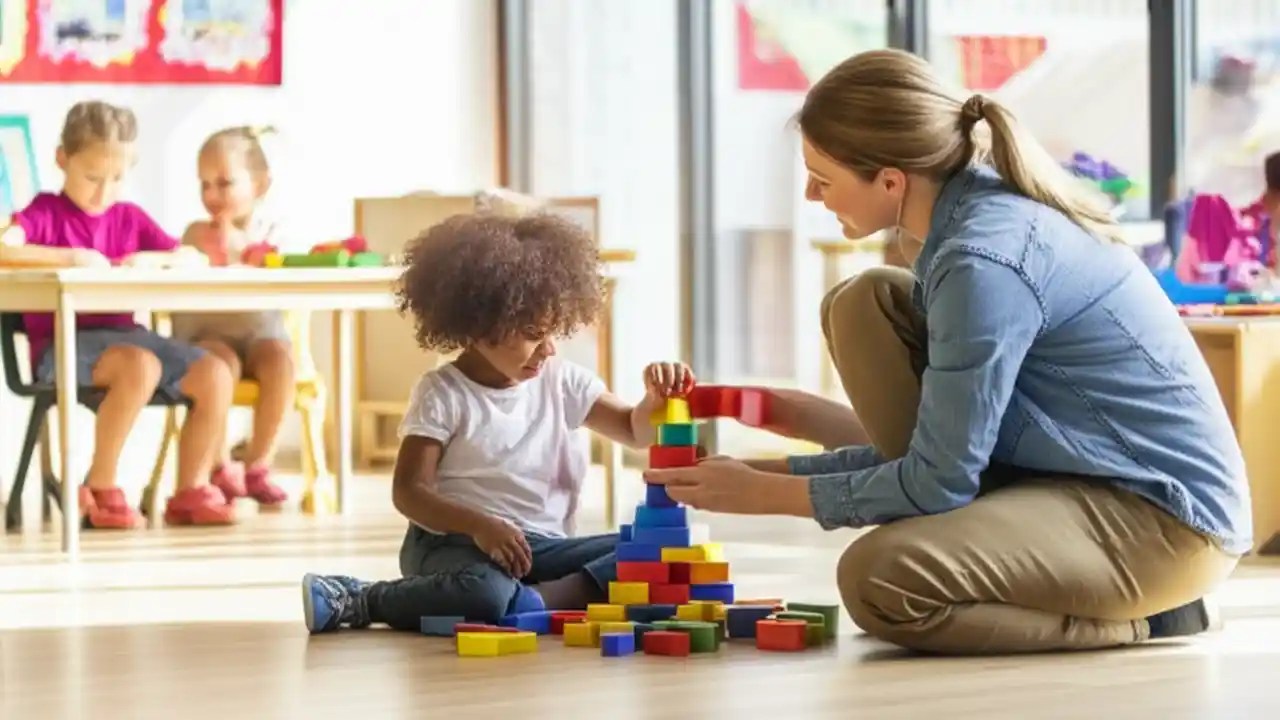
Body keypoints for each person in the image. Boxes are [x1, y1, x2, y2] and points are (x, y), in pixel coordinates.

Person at [644, 49, 1251, 655]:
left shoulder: (980, 261)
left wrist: (767, 495)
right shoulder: (960, 227)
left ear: (890, 179)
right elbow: (947, 452)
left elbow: (938, 481)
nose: (809, 194)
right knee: (865, 300)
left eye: (822, 179)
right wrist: (752, 474)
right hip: (1074, 477)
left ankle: (1159, 619)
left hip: (1161, 523)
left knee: (877, 579)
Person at [301, 212, 694, 631]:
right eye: (531, 333)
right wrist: (481, 526)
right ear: (475, 325)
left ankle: (531, 601)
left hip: (541, 549)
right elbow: (409, 492)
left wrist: (655, 401)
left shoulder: (563, 381)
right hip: (455, 542)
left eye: (553, 332)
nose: (547, 350)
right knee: (483, 590)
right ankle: (364, 599)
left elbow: (635, 431)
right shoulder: (443, 393)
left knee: (660, 550)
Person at [0, 100, 237, 528]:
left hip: (129, 338)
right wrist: (70, 258)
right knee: (140, 366)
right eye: (92, 177)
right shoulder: (44, 212)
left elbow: (191, 256)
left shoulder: (128, 217)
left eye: (116, 178)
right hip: (63, 345)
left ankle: (190, 489)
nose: (104, 191)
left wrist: (156, 261)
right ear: (62, 160)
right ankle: (100, 484)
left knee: (215, 373)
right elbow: (4, 247)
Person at [171, 126, 293, 508]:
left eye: (223, 183)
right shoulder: (195, 233)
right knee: (217, 366)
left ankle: (258, 463)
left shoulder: (273, 232)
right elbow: (208, 256)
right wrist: (222, 242)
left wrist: (261, 255)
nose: (211, 195)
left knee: (281, 361)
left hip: (258, 337)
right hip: (208, 336)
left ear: (260, 184)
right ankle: (219, 463)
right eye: (204, 184)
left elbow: (282, 269)